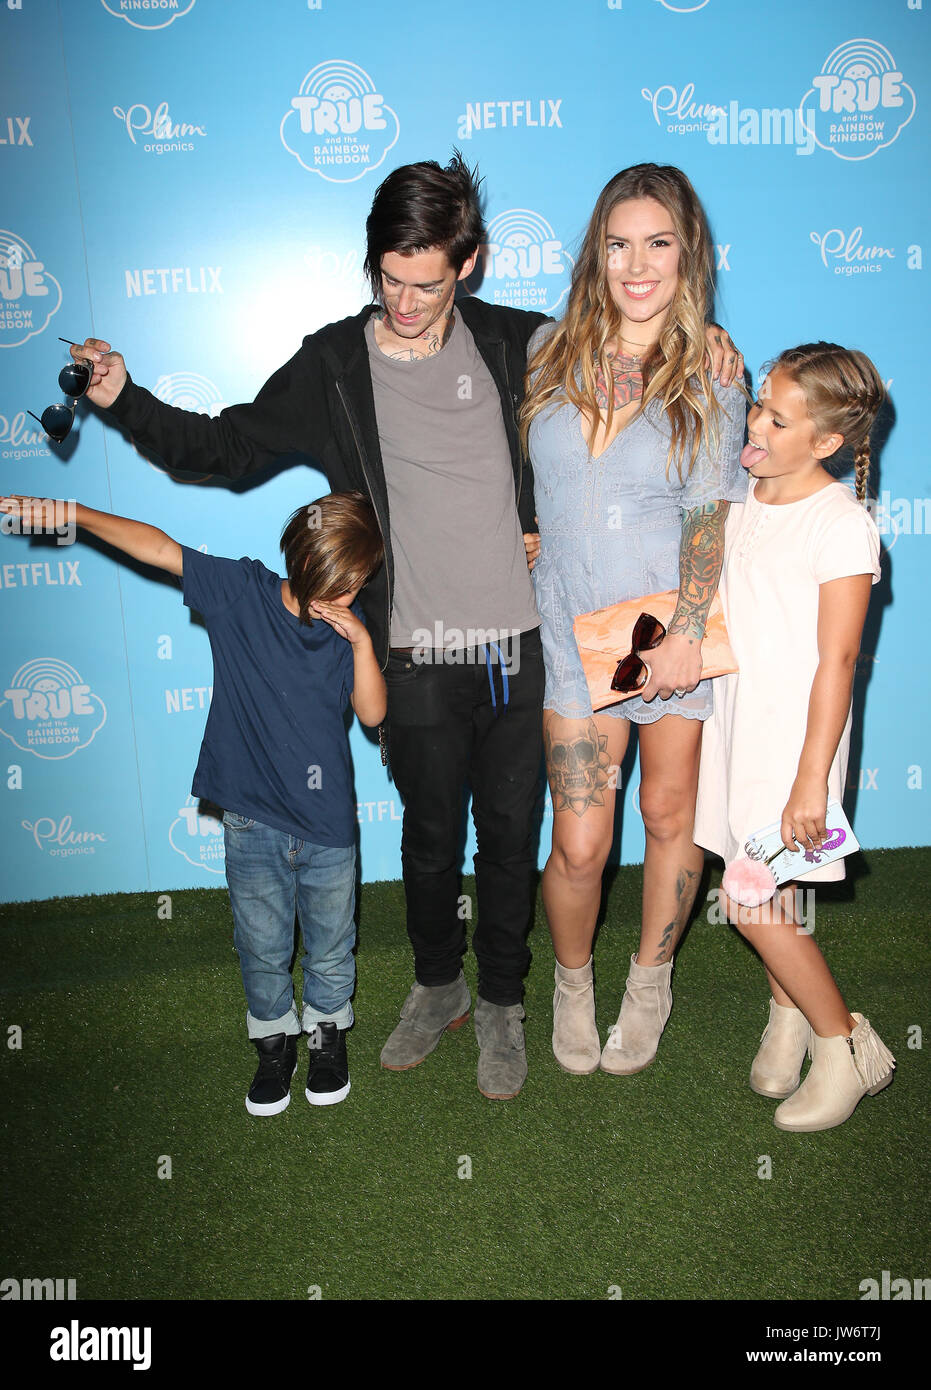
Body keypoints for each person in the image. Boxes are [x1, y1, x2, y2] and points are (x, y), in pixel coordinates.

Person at [67, 153, 742, 1100]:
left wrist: (705, 335)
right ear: (372, 264)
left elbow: (636, 341)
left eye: (428, 282)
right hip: (415, 649)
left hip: (523, 644)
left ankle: (505, 1000)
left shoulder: (522, 345)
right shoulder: (334, 363)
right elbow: (222, 448)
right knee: (429, 840)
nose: (408, 301)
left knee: (513, 838)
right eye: (390, 279)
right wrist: (120, 399)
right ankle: (438, 985)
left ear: (467, 264)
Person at [0, 490, 386, 1117]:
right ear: (304, 560)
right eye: (342, 585)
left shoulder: (351, 626)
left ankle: (326, 1035)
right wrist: (76, 517)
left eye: (357, 585)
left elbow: (372, 714)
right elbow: (159, 547)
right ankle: (272, 1044)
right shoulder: (241, 592)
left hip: (328, 825)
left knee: (331, 943)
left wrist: (363, 642)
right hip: (251, 821)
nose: (346, 596)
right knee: (261, 945)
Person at [522, 163, 747, 1078]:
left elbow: (709, 514)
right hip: (572, 634)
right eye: (618, 243)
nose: (636, 264)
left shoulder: (713, 376)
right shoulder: (544, 350)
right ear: (595, 252)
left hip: (669, 636)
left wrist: (690, 630)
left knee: (665, 815)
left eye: (658, 243)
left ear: (686, 254)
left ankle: (649, 977)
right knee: (578, 841)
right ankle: (571, 981)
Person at [693, 343, 895, 1131]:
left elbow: (838, 661)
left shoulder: (840, 526)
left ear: (825, 444)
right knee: (770, 891)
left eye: (777, 417)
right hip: (734, 724)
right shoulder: (737, 496)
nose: (755, 422)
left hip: (795, 746)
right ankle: (785, 1019)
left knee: (747, 901)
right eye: (757, 403)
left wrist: (811, 781)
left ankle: (844, 1045)